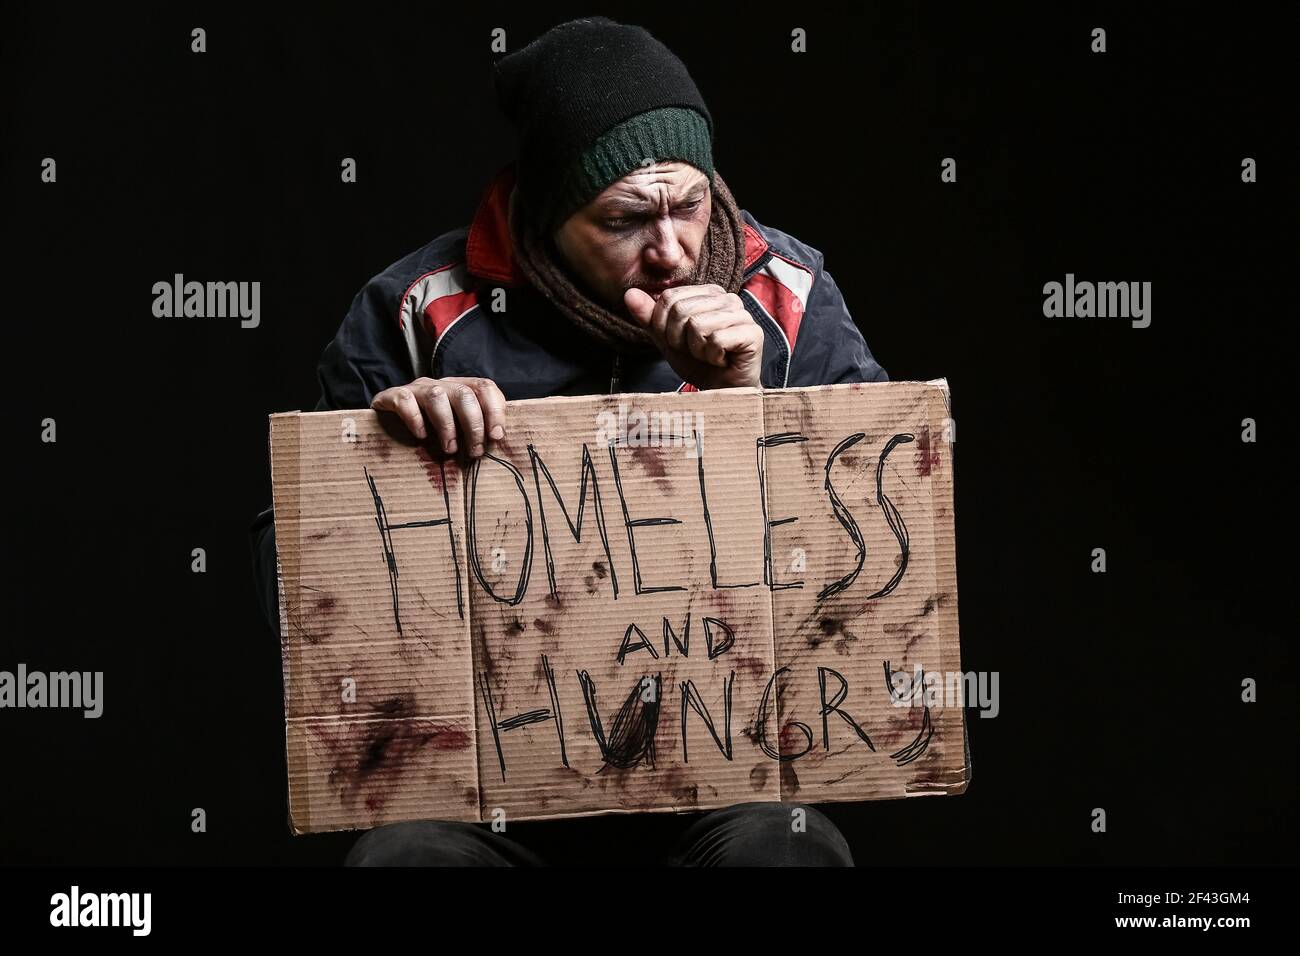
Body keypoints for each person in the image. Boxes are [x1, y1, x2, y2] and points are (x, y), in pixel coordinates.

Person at [252, 15, 885, 866]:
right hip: (489, 789)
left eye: (689, 205)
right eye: (625, 220)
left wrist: (748, 405)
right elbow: (285, 593)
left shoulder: (789, 294)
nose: (671, 252)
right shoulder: (417, 311)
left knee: (787, 854)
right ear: (548, 212)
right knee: (405, 861)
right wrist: (387, 460)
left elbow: (883, 564)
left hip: (726, 775)